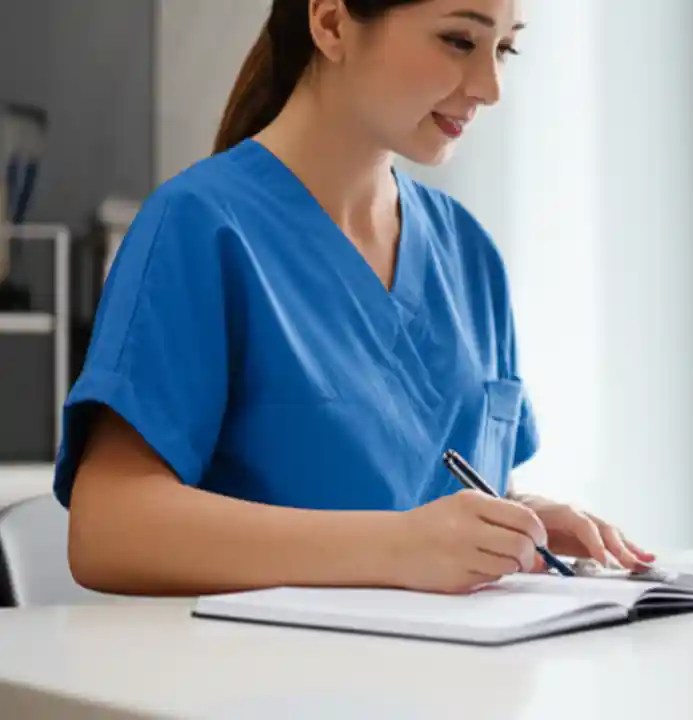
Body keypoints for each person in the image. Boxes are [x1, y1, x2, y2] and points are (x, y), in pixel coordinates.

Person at [53, 0, 654, 597]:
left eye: (505, 49)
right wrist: (399, 547)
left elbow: (411, 486)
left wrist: (514, 521)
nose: (491, 88)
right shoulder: (200, 227)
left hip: (461, 682)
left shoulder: (468, 253)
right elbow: (109, 528)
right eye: (459, 41)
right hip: (260, 684)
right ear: (332, 23)